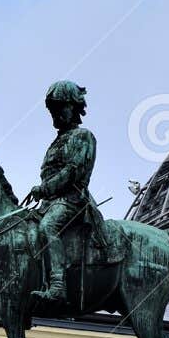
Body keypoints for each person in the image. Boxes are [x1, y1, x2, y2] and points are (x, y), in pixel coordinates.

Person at [24, 80, 105, 306]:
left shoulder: (83, 136)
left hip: (73, 200)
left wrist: (44, 189)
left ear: (74, 108)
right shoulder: (57, 141)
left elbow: (74, 172)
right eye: (53, 110)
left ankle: (57, 286)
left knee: (47, 227)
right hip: (50, 203)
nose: (56, 115)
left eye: (61, 108)